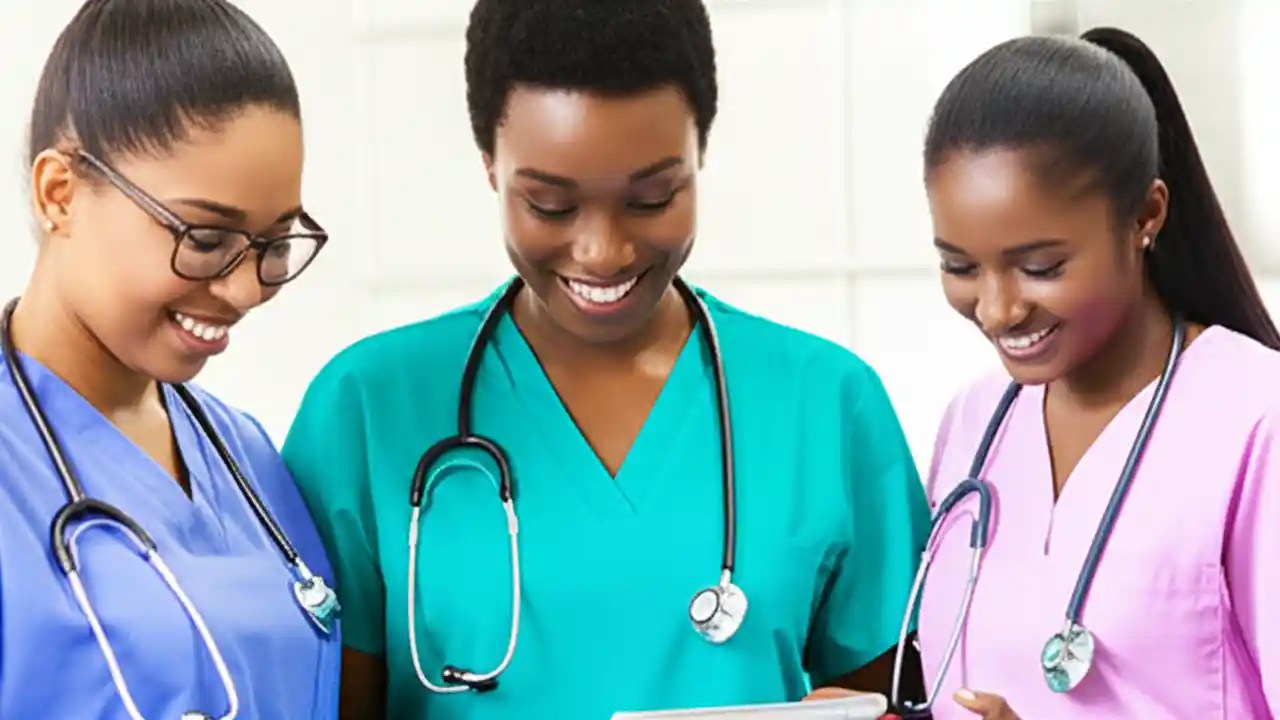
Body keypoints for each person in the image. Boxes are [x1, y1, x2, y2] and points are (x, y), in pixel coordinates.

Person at [281, 1, 931, 718]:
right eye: (551, 205)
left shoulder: (827, 404)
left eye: (653, 198)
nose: (604, 251)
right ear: (489, 166)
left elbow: (896, 701)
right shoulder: (368, 409)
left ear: (700, 154)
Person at [906, 26, 1280, 720]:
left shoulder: (1258, 418)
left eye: (1041, 267)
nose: (997, 309)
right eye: (959, 266)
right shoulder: (976, 420)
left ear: (1146, 216)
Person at [0, 1, 341, 717]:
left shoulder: (244, 455)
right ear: (58, 193)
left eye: (275, 244)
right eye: (206, 238)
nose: (247, 288)